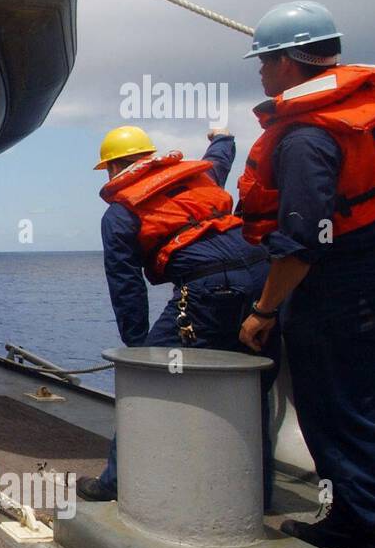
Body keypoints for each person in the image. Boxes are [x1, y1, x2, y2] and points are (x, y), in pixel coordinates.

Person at [235, 1, 375, 548]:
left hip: (339, 287)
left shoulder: (304, 139)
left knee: (338, 410)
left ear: (289, 63)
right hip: (366, 271)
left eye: (265, 62)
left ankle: (363, 538)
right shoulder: (360, 117)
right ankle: (351, 520)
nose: (262, 74)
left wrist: (264, 310)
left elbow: (303, 241)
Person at [78, 125, 276, 505]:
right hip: (264, 280)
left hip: (208, 290)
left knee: (146, 383)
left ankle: (117, 483)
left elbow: (126, 285)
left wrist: (138, 349)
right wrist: (223, 135)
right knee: (254, 391)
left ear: (114, 167)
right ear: (150, 157)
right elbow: (221, 157)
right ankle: (259, 497)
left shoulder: (120, 214)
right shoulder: (199, 175)